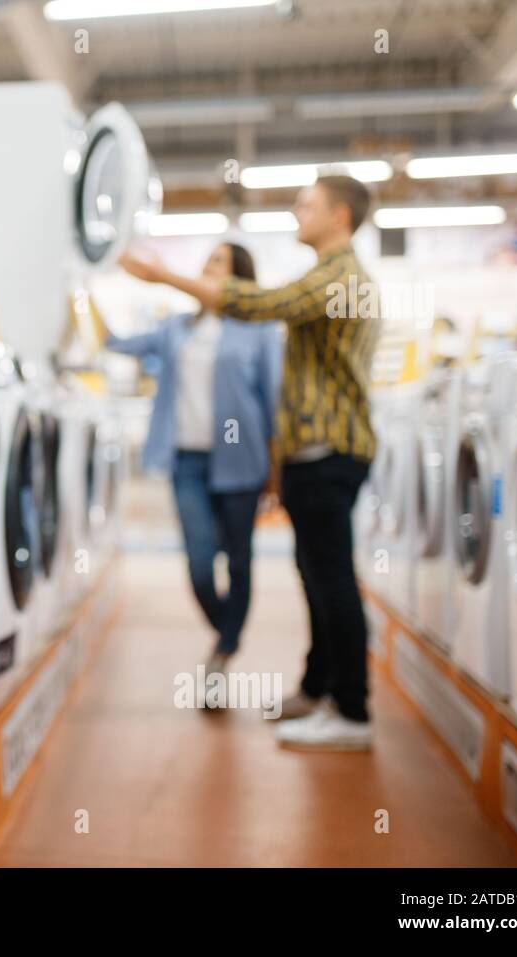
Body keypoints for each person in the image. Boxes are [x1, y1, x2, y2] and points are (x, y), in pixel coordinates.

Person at [119, 175, 380, 751]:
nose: (296, 209)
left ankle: (353, 712)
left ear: (339, 215)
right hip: (316, 452)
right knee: (315, 578)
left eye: (306, 203)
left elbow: (259, 303)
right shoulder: (333, 275)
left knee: (333, 581)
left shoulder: (339, 278)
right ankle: (318, 688)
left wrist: (162, 274)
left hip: (328, 449)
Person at [106, 242, 282, 680]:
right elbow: (121, 344)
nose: (207, 269)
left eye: (218, 263)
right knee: (200, 563)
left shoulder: (258, 330)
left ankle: (221, 656)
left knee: (239, 560)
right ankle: (228, 635)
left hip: (242, 461)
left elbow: (274, 399)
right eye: (205, 262)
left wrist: (276, 473)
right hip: (187, 460)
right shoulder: (176, 328)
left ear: (240, 277)